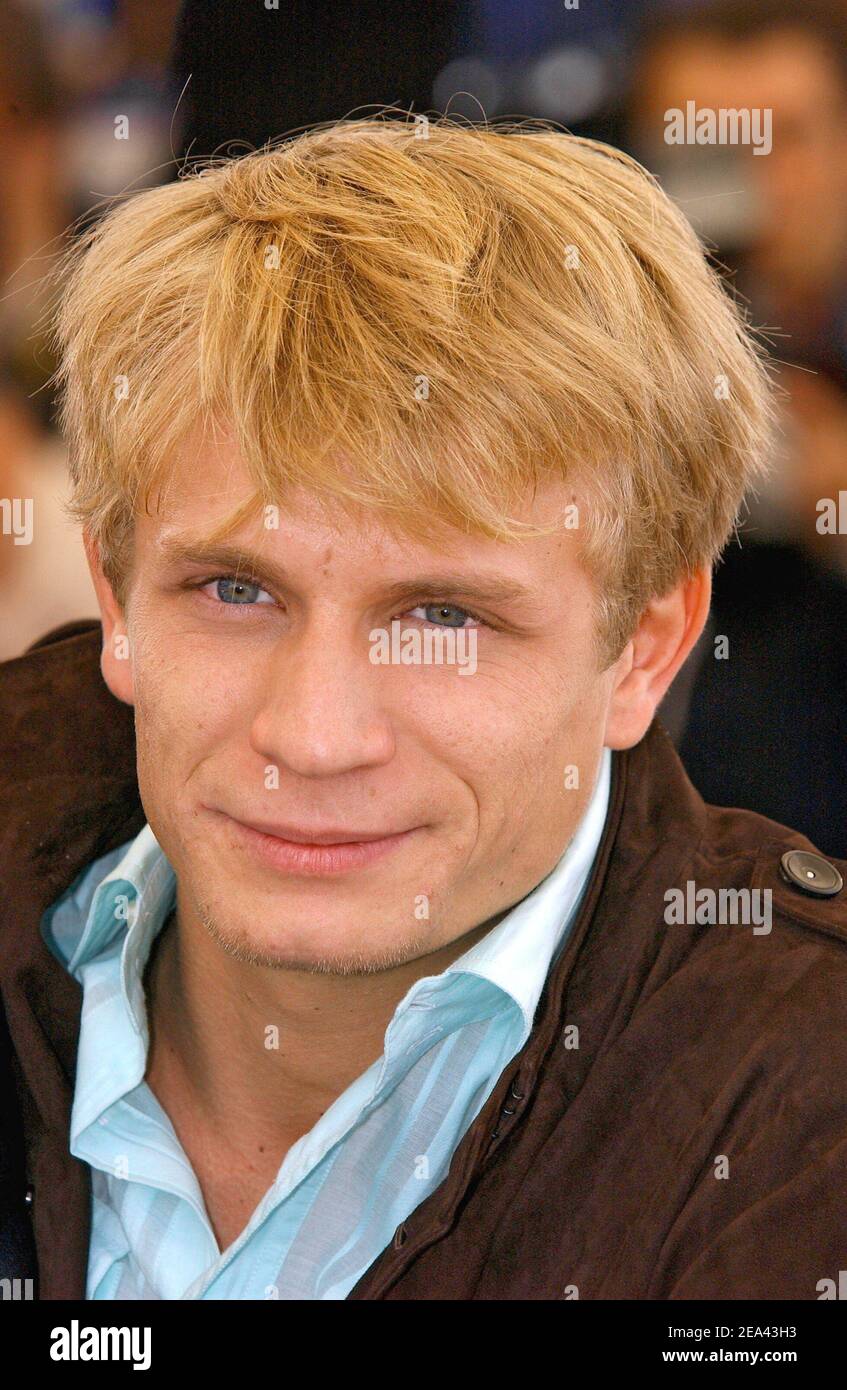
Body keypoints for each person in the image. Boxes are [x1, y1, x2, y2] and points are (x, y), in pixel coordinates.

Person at [1, 116, 845, 1302]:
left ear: (644, 646)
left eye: (445, 617)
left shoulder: (805, 1105)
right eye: (236, 590)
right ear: (116, 595)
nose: (314, 734)